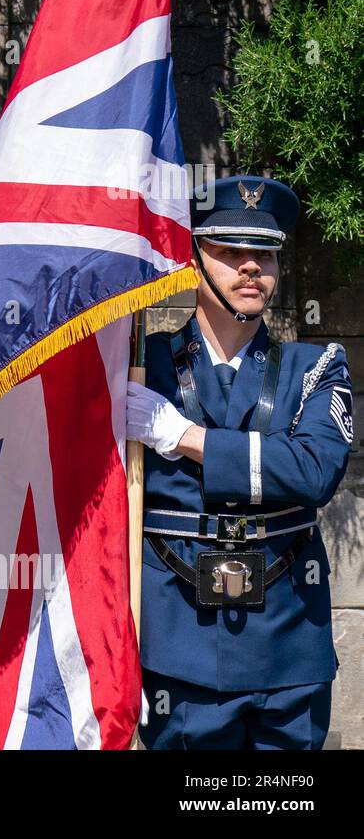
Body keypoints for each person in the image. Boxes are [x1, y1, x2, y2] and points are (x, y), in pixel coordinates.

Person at [126, 175, 353, 749]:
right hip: (178, 647)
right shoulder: (140, 369)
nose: (251, 267)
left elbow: (314, 470)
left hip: (287, 646)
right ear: (193, 261)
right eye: (230, 251)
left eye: (264, 254)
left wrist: (183, 436)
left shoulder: (316, 366)